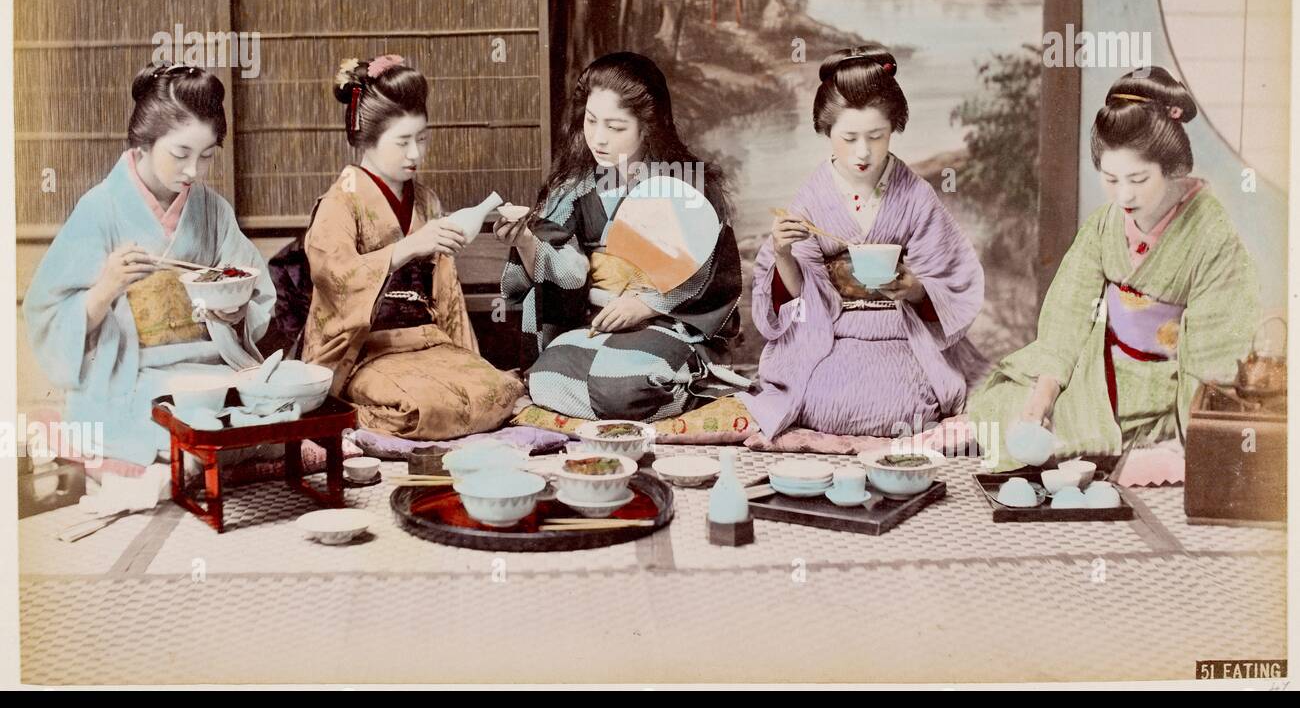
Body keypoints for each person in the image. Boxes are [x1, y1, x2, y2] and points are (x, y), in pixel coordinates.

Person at [967, 67, 1259, 482]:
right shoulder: (1106, 224)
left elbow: (1216, 345)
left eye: (1138, 179)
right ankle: (1088, 442)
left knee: (1081, 435)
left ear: (1172, 168)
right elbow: (1068, 313)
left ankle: (1149, 447)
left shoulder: (1212, 233)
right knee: (1007, 402)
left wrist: (1194, 433)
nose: (1124, 195)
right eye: (1110, 179)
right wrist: (1045, 396)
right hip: (1100, 363)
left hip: (1165, 380)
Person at [25, 62, 274, 468]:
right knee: (198, 443)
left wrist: (234, 310)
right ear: (143, 144)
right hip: (131, 373)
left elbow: (255, 291)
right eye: (180, 154)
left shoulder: (212, 210)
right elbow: (46, 314)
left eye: (206, 156)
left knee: (266, 415)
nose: (194, 171)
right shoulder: (100, 208)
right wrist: (106, 287)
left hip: (209, 368)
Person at [738, 45, 987, 439]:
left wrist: (917, 288)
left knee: (904, 408)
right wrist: (783, 253)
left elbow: (951, 275)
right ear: (826, 131)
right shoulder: (812, 197)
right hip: (832, 332)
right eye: (848, 137)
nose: (862, 152)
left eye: (876, 136)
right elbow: (802, 298)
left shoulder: (915, 194)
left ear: (893, 130)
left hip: (902, 332)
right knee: (820, 401)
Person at [496, 51, 744, 421]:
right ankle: (639, 397)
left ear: (647, 127)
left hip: (667, 324)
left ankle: (686, 379)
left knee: (626, 387)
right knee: (545, 378)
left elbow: (710, 275)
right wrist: (526, 242)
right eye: (591, 121)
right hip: (594, 323)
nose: (599, 138)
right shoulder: (573, 190)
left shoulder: (684, 187)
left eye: (615, 127)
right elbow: (568, 273)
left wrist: (646, 305)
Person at [302, 55, 523, 440]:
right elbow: (334, 278)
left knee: (498, 390)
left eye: (422, 139)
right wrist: (407, 248)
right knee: (422, 407)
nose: (416, 154)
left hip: (424, 340)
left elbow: (446, 293)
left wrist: (465, 353)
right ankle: (349, 414)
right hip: (367, 348)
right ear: (366, 140)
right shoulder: (341, 201)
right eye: (403, 142)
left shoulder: (426, 201)